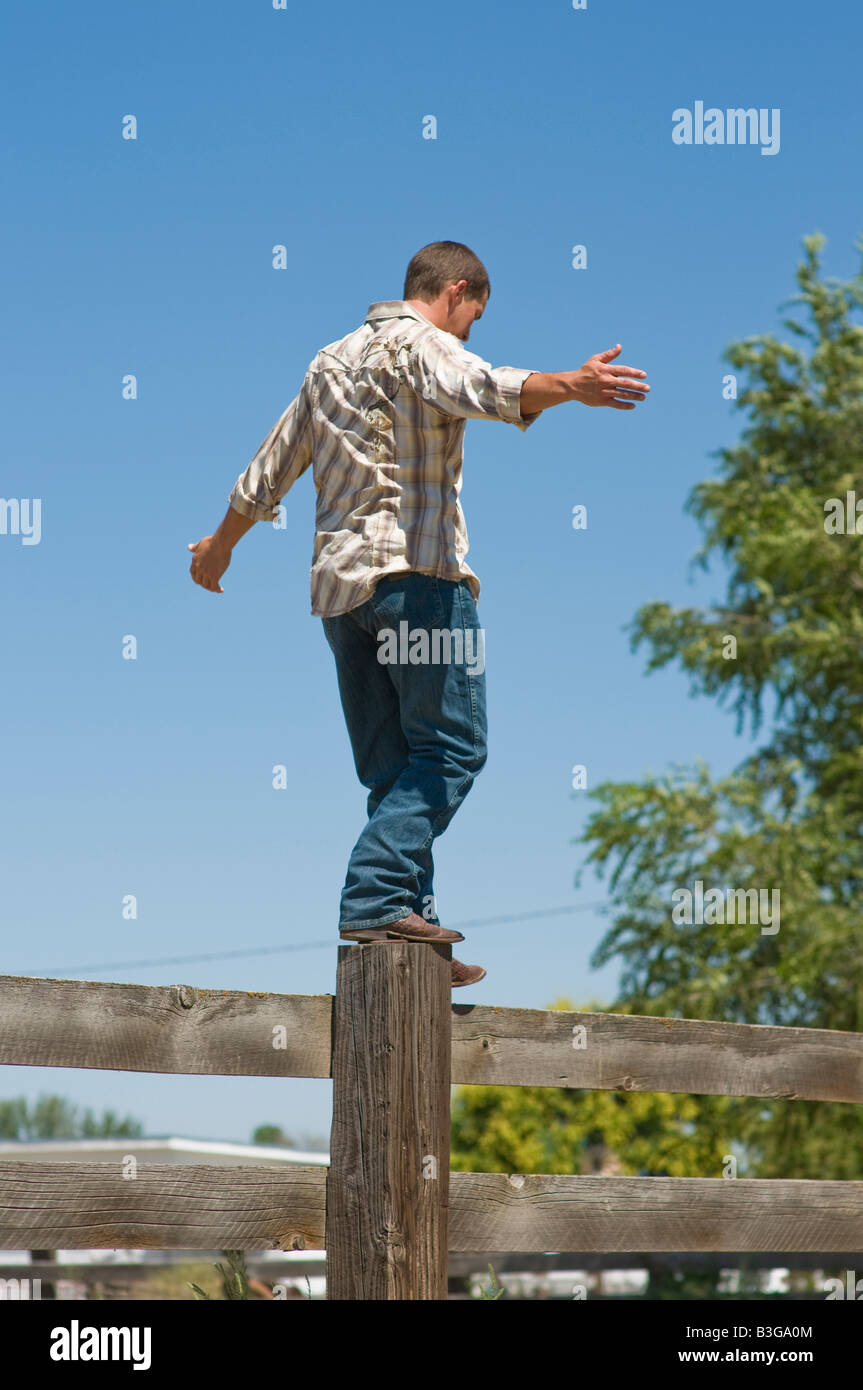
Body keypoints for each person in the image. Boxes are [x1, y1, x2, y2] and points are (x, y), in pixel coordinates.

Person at [188, 240, 650, 987]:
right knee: (455, 749)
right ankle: (373, 896)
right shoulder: (422, 345)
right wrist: (568, 384)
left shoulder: (327, 361)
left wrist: (220, 545)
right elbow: (479, 383)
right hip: (417, 583)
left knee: (394, 773)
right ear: (456, 291)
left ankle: (406, 930)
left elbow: (270, 467)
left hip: (342, 600)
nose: (469, 329)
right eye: (473, 315)